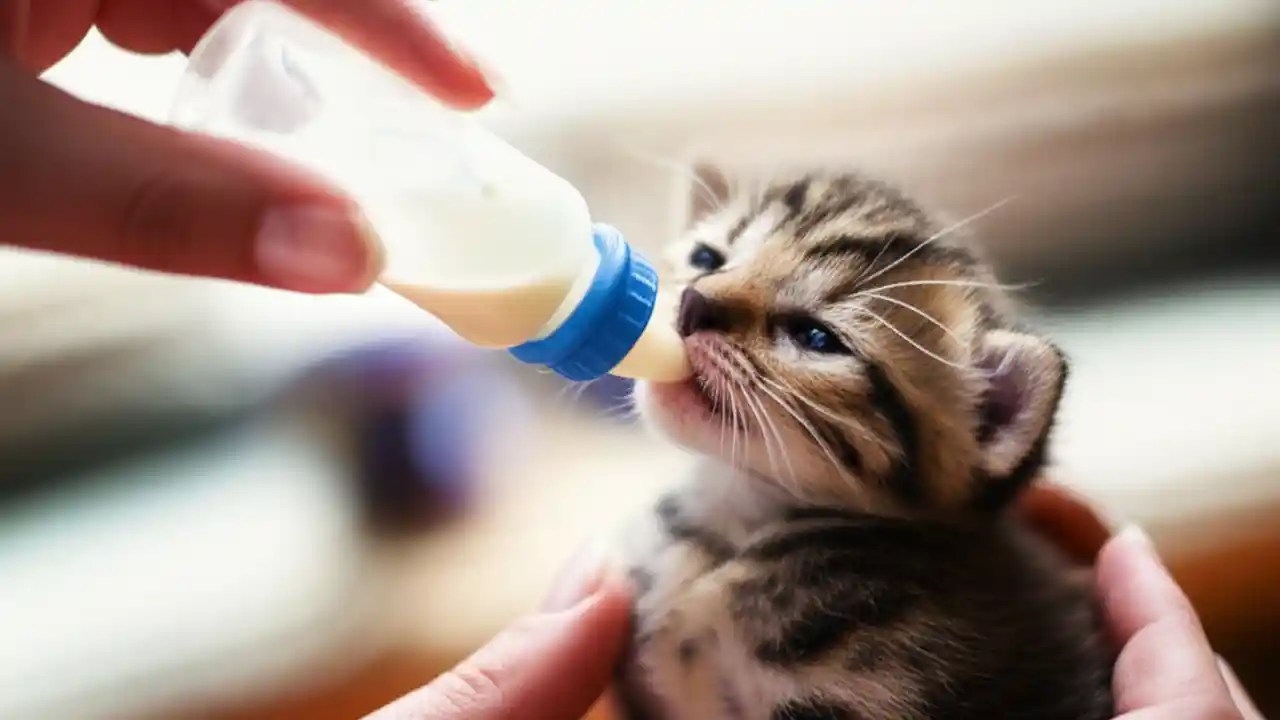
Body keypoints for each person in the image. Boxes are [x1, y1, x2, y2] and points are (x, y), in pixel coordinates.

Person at [0, 4, 1263, 719]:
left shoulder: (908, 639)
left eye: (814, 335)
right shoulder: (664, 550)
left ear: (986, 427)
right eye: (708, 258)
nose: (705, 305)